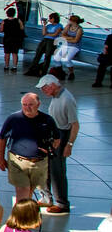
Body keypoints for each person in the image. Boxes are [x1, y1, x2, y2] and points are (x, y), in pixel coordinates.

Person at [0, 91, 60, 205]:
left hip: (39, 163)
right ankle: (19, 219)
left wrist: (50, 148)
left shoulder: (47, 120)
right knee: (22, 191)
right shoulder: (13, 119)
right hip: (18, 161)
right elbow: (2, 138)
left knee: (29, 191)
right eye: (24, 105)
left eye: (30, 104)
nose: (27, 108)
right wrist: (0, 158)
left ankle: (24, 216)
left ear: (38, 104)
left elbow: (57, 139)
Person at [37, 74, 77, 216]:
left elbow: (75, 124)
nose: (43, 91)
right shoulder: (56, 96)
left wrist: (69, 145)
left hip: (61, 135)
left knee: (57, 170)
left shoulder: (67, 99)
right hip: (53, 134)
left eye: (44, 88)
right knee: (46, 167)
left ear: (52, 85)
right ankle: (47, 197)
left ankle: (62, 203)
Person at [52, 14, 83, 81]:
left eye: (70, 20)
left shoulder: (79, 29)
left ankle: (71, 73)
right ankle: (60, 71)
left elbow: (76, 40)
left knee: (67, 59)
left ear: (74, 21)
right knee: (56, 57)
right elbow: (62, 35)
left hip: (74, 46)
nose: (69, 21)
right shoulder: (68, 26)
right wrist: (69, 38)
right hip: (66, 44)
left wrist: (66, 38)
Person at [0, 6, 24, 74]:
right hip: (16, 39)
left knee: (7, 53)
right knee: (15, 53)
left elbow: (1, 30)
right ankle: (14, 67)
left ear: (7, 14)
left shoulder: (4, 21)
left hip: (7, 38)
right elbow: (22, 28)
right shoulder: (18, 20)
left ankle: (6, 66)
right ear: (14, 13)